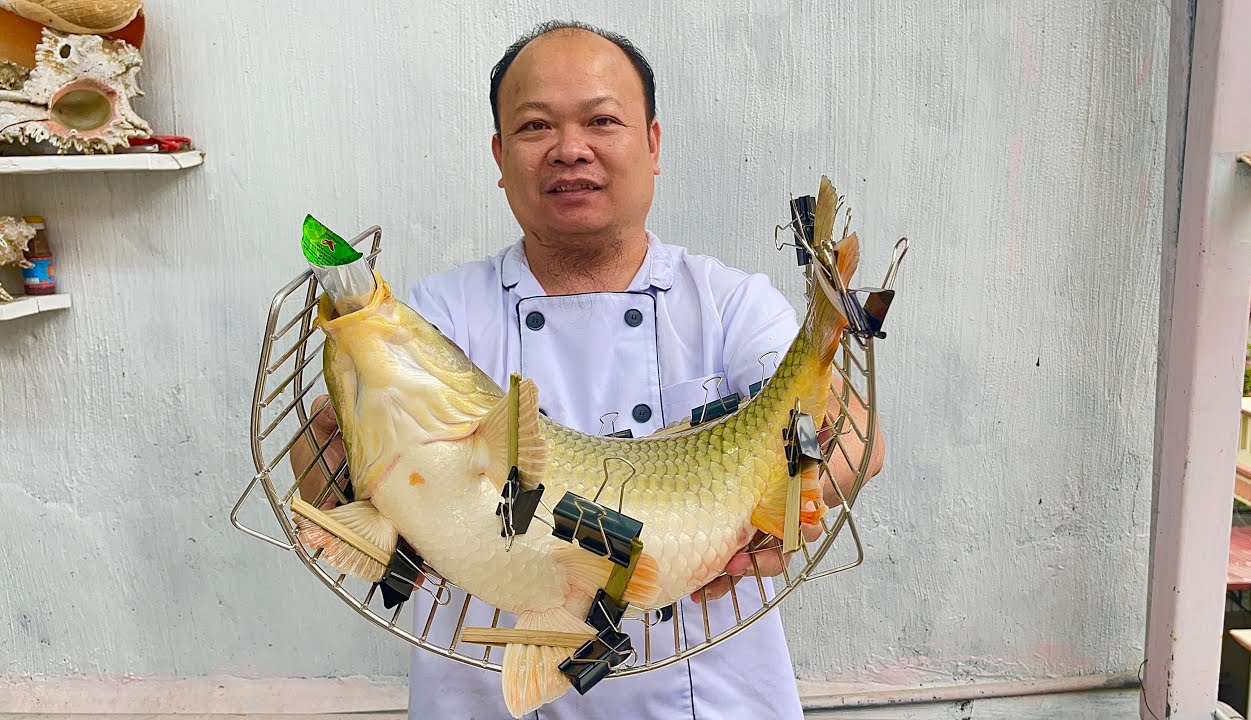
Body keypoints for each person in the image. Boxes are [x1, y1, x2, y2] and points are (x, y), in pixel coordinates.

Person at [291, 20, 885, 720]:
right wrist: (333, 453)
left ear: (653, 145)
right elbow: (326, 471)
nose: (570, 149)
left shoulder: (728, 304)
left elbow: (855, 437)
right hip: (482, 701)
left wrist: (783, 508)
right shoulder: (440, 313)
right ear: (500, 154)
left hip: (710, 700)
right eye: (535, 126)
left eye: (602, 121)